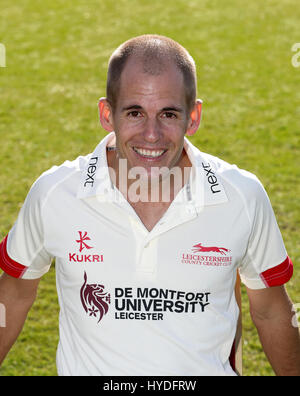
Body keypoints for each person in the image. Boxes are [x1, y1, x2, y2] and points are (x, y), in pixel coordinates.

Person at [0, 34, 299, 376]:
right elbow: (14, 296)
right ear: (106, 114)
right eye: (135, 112)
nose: (152, 134)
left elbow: (271, 311)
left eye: (169, 114)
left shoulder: (242, 196)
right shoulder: (55, 194)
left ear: (194, 116)